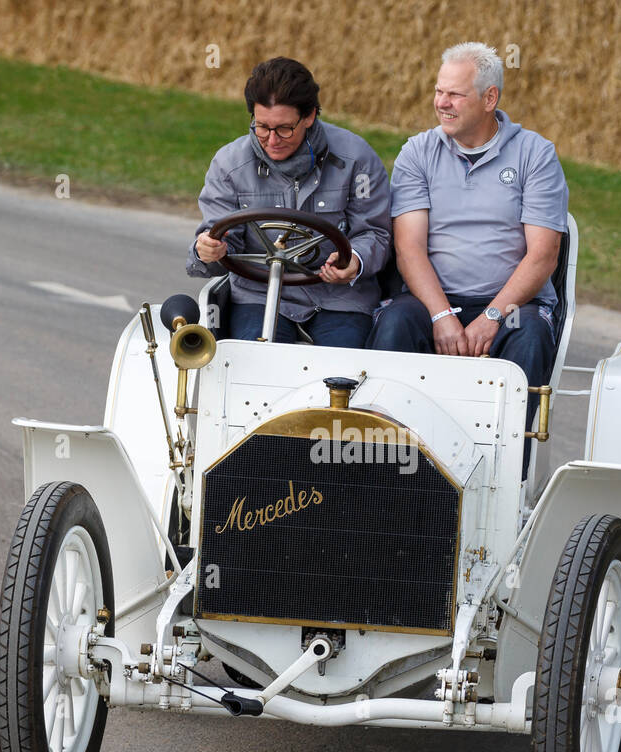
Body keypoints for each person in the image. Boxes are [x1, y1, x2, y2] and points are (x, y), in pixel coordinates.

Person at [368, 42, 567, 449]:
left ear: (489, 98)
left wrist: (493, 315)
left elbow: (543, 255)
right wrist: (441, 315)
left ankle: (509, 473)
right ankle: (386, 464)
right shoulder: (418, 152)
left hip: (511, 306)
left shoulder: (535, 155)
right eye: (439, 91)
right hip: (432, 302)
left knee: (528, 336)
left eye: (455, 94)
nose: (442, 103)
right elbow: (409, 250)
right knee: (394, 325)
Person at [187, 57, 391, 347]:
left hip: (339, 298)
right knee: (253, 367)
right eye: (261, 127)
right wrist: (209, 249)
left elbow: (376, 234)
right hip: (258, 296)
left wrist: (354, 261)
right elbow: (219, 238)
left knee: (344, 376)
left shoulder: (356, 158)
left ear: (309, 117)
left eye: (284, 129)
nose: (271, 140)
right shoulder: (228, 165)